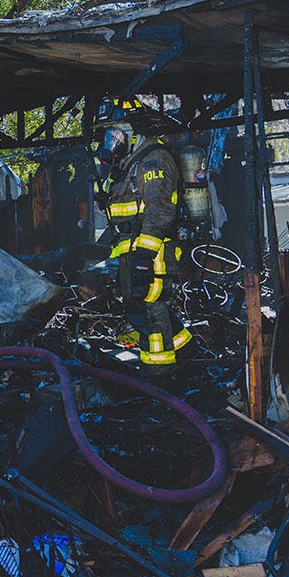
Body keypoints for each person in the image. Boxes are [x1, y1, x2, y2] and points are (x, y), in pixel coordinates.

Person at [92, 99, 192, 374]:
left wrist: (144, 256)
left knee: (148, 311)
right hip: (136, 251)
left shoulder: (153, 160)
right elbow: (129, 216)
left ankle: (159, 372)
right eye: (108, 136)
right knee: (151, 308)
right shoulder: (132, 163)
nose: (111, 142)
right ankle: (189, 354)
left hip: (153, 253)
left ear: (134, 133)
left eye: (116, 134)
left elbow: (160, 211)